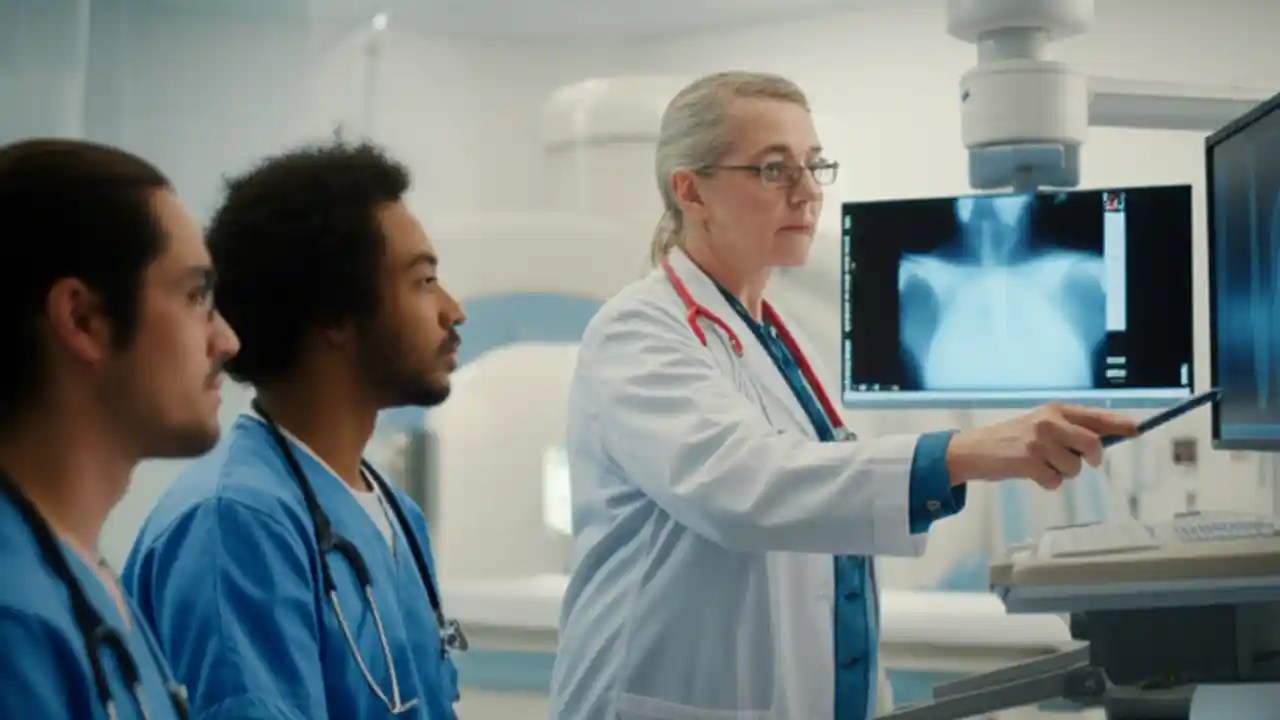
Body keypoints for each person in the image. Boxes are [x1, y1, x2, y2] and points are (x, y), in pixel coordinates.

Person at [548, 71, 1138, 720]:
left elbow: (824, 523)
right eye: (774, 170)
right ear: (692, 191)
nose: (807, 193)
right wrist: (961, 454)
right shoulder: (636, 330)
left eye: (813, 165)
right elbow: (743, 484)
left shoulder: (781, 336)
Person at [122, 142, 467, 719]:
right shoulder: (237, 520)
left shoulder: (395, 515)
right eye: (424, 281)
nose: (453, 311)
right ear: (335, 314)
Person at [0, 138, 240, 719]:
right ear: (83, 319)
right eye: (195, 296)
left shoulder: (83, 580)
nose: (227, 341)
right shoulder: (15, 619)